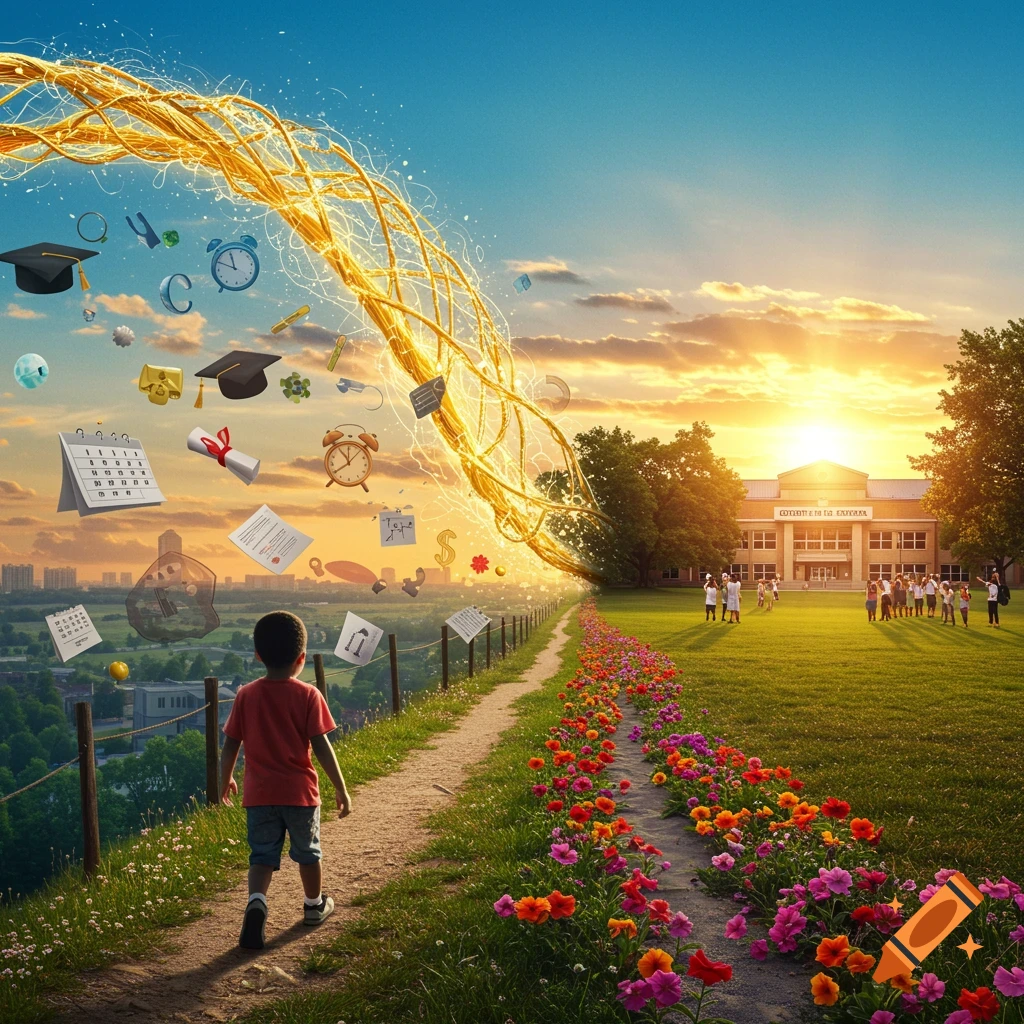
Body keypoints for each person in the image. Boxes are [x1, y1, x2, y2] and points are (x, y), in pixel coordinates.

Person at [220, 610, 354, 950]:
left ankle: (256, 902)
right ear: (302, 658)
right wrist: (341, 788)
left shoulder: (246, 695)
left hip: (259, 795)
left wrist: (224, 780)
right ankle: (313, 906)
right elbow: (322, 746)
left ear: (257, 655)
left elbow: (231, 743)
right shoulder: (308, 695)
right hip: (300, 795)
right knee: (308, 852)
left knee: (262, 856)